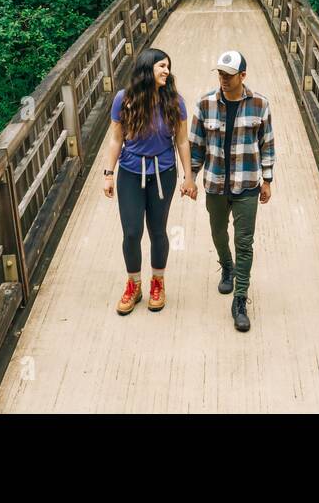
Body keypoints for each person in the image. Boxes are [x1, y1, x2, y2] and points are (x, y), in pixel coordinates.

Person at [102, 48, 199, 314]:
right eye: (162, 66)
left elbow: (181, 141)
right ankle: (134, 285)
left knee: (158, 231)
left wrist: (188, 177)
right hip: (130, 174)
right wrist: (109, 175)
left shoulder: (174, 101)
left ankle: (158, 282)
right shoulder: (123, 99)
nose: (167, 71)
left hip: (163, 173)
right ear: (147, 68)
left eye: (169, 66)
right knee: (132, 232)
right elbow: (116, 139)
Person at [188, 50, 275, 332]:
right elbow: (195, 145)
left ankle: (240, 298)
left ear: (242, 76)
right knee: (218, 233)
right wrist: (190, 177)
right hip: (215, 183)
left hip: (247, 183)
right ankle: (226, 265)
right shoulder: (204, 104)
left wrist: (268, 180)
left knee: (244, 242)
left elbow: (267, 144)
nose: (224, 79)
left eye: (229, 74)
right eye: (220, 74)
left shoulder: (260, 104)